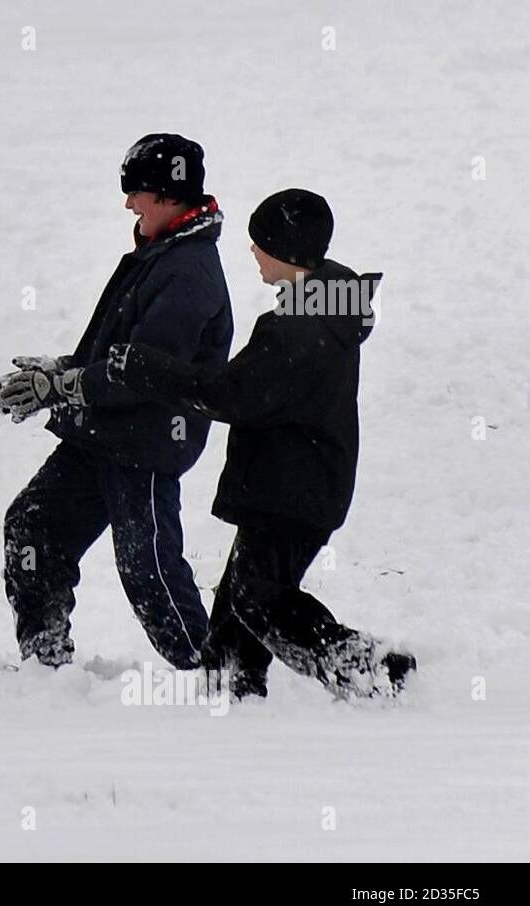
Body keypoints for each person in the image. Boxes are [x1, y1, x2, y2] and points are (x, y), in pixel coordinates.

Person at [107, 188, 415, 700]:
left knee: (257, 598)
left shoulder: (300, 332)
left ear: (288, 253)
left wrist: (145, 367)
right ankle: (229, 688)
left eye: (261, 243)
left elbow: (230, 396)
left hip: (294, 491)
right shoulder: (325, 302)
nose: (252, 251)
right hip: (297, 485)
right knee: (237, 606)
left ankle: (369, 668)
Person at [0, 133, 233, 669]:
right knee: (34, 527)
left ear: (169, 195)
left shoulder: (188, 272)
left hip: (142, 445)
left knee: (148, 565)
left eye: (136, 192)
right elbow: (117, 350)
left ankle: (210, 668)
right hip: (99, 435)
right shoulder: (158, 254)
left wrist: (62, 387)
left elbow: (143, 373)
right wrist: (65, 371)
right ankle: (45, 658)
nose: (128, 203)